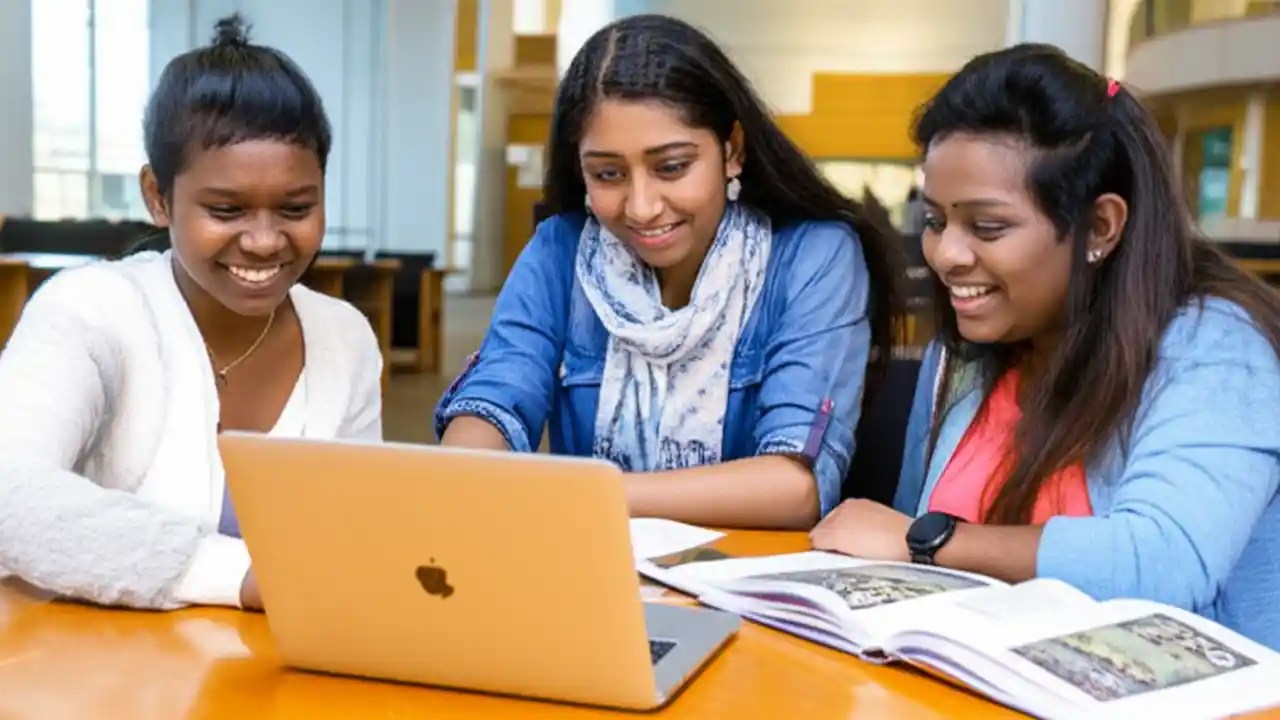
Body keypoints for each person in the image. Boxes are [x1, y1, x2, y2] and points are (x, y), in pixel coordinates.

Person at [810, 44, 1280, 649]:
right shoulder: (963, 354)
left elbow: (1164, 564)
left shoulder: (1215, 348)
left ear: (1101, 227)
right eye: (934, 221)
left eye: (987, 227)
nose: (947, 255)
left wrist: (927, 540)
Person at [435, 14, 905, 529]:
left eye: (672, 167)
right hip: (594, 572)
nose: (641, 207)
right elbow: (494, 399)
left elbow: (795, 486)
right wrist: (468, 464)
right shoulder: (561, 251)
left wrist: (576, 492)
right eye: (608, 174)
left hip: (743, 582)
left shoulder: (814, 256)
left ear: (733, 151)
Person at [0, 15, 382, 612]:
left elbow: (360, 531)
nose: (264, 240)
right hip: (87, 681)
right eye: (226, 210)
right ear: (158, 196)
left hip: (270, 681)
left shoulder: (344, 338)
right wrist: (244, 576)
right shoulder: (93, 310)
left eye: (296, 207)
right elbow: (9, 495)